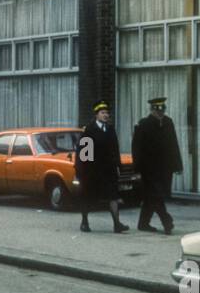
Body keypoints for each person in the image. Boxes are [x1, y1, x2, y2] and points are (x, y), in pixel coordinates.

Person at [132, 96, 183, 234]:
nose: (161, 113)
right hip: (149, 168)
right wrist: (136, 169)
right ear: (152, 110)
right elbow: (136, 149)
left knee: (152, 196)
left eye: (163, 110)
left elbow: (174, 144)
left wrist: (178, 165)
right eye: (157, 110)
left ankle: (143, 224)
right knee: (156, 195)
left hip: (165, 167)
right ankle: (167, 221)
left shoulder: (168, 122)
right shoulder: (143, 124)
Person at [77, 101, 128, 234]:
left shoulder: (110, 129)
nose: (106, 115)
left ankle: (117, 224)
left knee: (113, 196)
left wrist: (118, 166)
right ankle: (84, 222)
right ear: (96, 115)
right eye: (103, 113)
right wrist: (82, 172)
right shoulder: (89, 130)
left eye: (107, 113)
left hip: (109, 170)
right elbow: (83, 153)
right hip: (93, 171)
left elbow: (115, 149)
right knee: (88, 196)